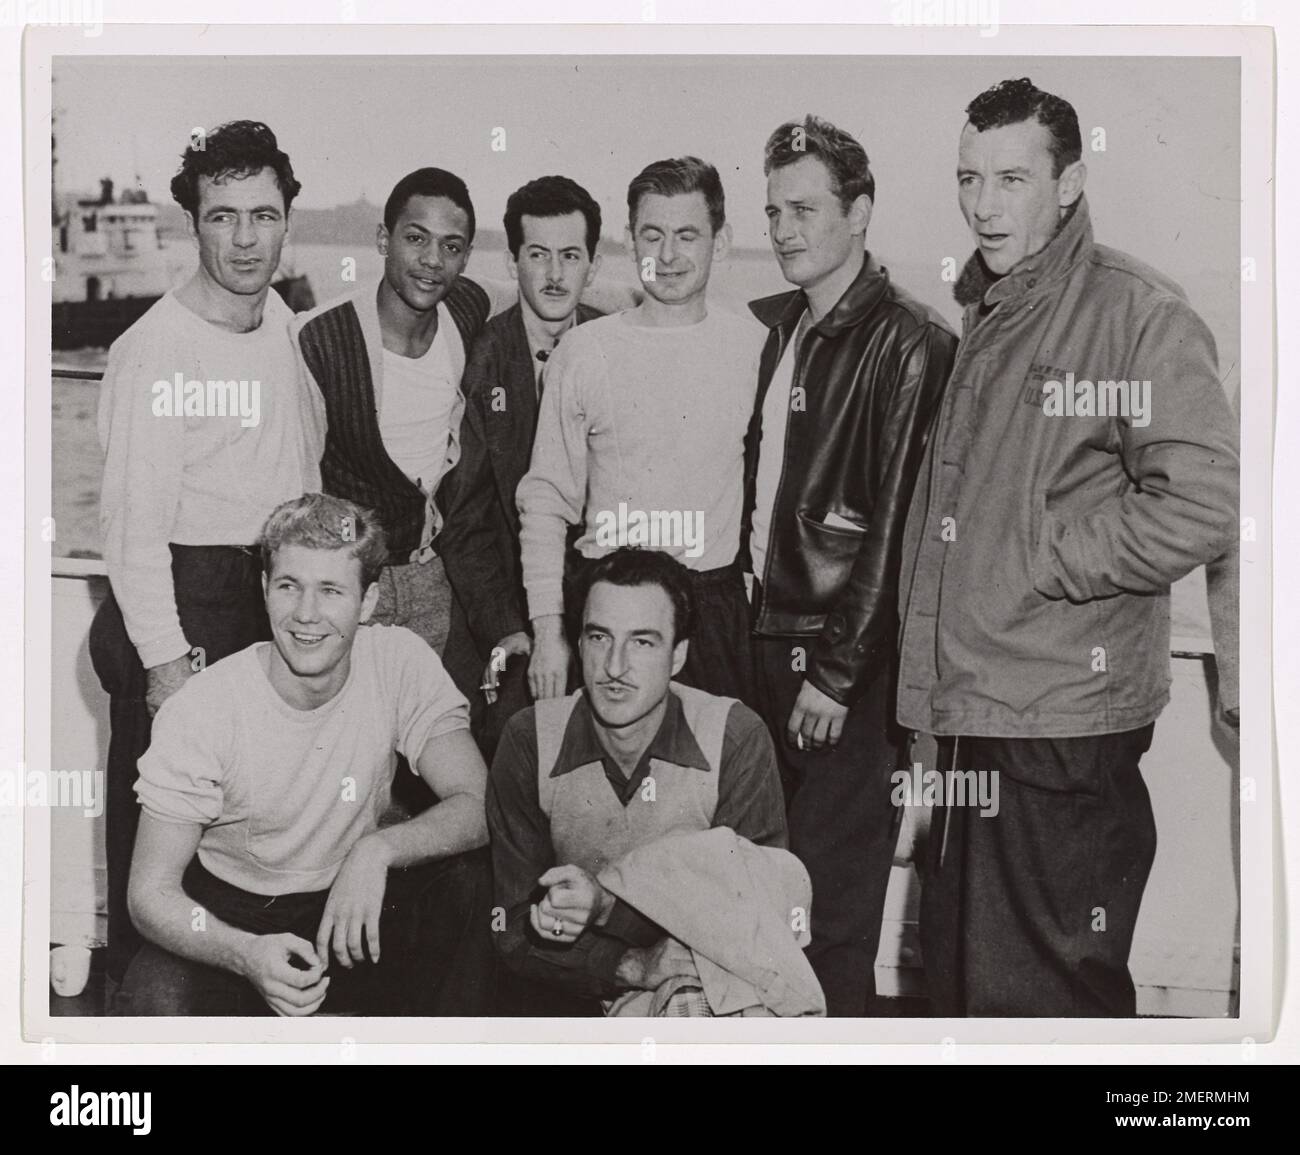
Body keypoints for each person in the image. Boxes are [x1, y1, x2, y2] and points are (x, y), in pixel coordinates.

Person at [896, 78, 1240, 1016]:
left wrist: (1044, 558)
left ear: (1071, 182)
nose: (983, 204)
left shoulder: (1134, 314)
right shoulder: (998, 306)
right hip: (986, 712)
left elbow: (1207, 503)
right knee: (973, 994)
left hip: (1061, 728)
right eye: (969, 179)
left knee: (1043, 1005)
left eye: (1012, 178)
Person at [89, 120, 325, 989]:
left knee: (238, 849)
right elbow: (130, 531)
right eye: (222, 216)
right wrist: (166, 670)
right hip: (183, 611)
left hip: (263, 600)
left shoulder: (285, 330)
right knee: (160, 853)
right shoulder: (154, 349)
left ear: (286, 219)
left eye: (262, 215)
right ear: (194, 221)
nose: (245, 238)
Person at [113, 494, 492, 1016]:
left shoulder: (399, 659)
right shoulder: (204, 709)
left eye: (331, 590)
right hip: (230, 913)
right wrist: (245, 955)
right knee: (152, 1001)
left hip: (346, 902)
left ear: (367, 601)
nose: (306, 615)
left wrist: (377, 851)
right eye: (289, 586)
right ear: (265, 589)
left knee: (467, 888)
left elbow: (478, 804)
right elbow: (148, 895)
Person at [742, 115, 957, 1016]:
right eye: (772, 210)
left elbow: (897, 530)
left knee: (832, 906)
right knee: (765, 895)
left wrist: (834, 674)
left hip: (837, 666)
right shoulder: (784, 323)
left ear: (860, 211)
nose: (784, 229)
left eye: (804, 208)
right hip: (762, 638)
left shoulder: (910, 340)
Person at [486, 548, 788, 1014]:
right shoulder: (530, 738)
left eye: (643, 642)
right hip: (577, 990)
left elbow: (759, 923)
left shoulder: (732, 735)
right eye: (599, 637)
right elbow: (511, 928)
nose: (614, 666)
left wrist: (608, 907)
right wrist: (631, 964)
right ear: (578, 644)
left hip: (703, 981)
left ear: (678, 654)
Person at [517, 156, 764, 707]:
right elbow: (544, 503)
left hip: (713, 617)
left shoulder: (753, 351)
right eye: (652, 235)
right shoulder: (584, 351)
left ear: (719, 243)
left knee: (712, 786)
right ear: (630, 242)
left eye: (687, 236)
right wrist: (550, 633)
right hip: (607, 608)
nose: (669, 256)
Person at [292, 167, 498, 660]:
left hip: (436, 578)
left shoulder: (466, 306)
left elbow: (535, 296)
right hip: (353, 585)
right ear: (384, 240)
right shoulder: (320, 340)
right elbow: (297, 488)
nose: (432, 261)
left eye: (451, 247)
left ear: (467, 256)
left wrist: (637, 304)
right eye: (415, 238)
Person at [437, 175, 604, 756]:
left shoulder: (617, 346)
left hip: (603, 612)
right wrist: (512, 629)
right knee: (512, 763)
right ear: (512, 262)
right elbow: (464, 517)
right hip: (507, 609)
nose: (555, 275)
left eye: (570, 256)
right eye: (537, 255)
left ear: (594, 264)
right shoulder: (480, 359)